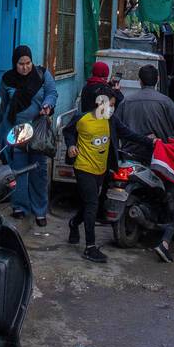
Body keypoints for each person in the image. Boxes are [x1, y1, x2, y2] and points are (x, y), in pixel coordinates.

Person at [114, 63, 174, 263]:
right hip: (160, 159)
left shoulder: (126, 103)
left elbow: (115, 126)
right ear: (156, 80)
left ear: (140, 81)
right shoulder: (165, 102)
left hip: (129, 155)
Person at [0, 45, 57, 227]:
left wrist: (47, 105)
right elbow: (3, 104)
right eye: (21, 64)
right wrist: (1, 130)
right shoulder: (7, 79)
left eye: (28, 63)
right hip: (17, 131)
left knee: (39, 170)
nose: (25, 67)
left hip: (37, 129)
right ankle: (19, 206)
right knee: (18, 169)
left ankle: (40, 210)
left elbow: (52, 93)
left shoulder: (42, 74)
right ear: (15, 64)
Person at [62, 86, 118, 264]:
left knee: (92, 203)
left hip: (101, 169)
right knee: (92, 203)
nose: (111, 108)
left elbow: (127, 132)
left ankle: (74, 223)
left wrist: (150, 142)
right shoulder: (82, 118)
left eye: (113, 105)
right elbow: (68, 130)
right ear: (99, 103)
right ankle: (90, 247)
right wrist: (71, 145)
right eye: (110, 105)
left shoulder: (109, 119)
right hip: (83, 167)